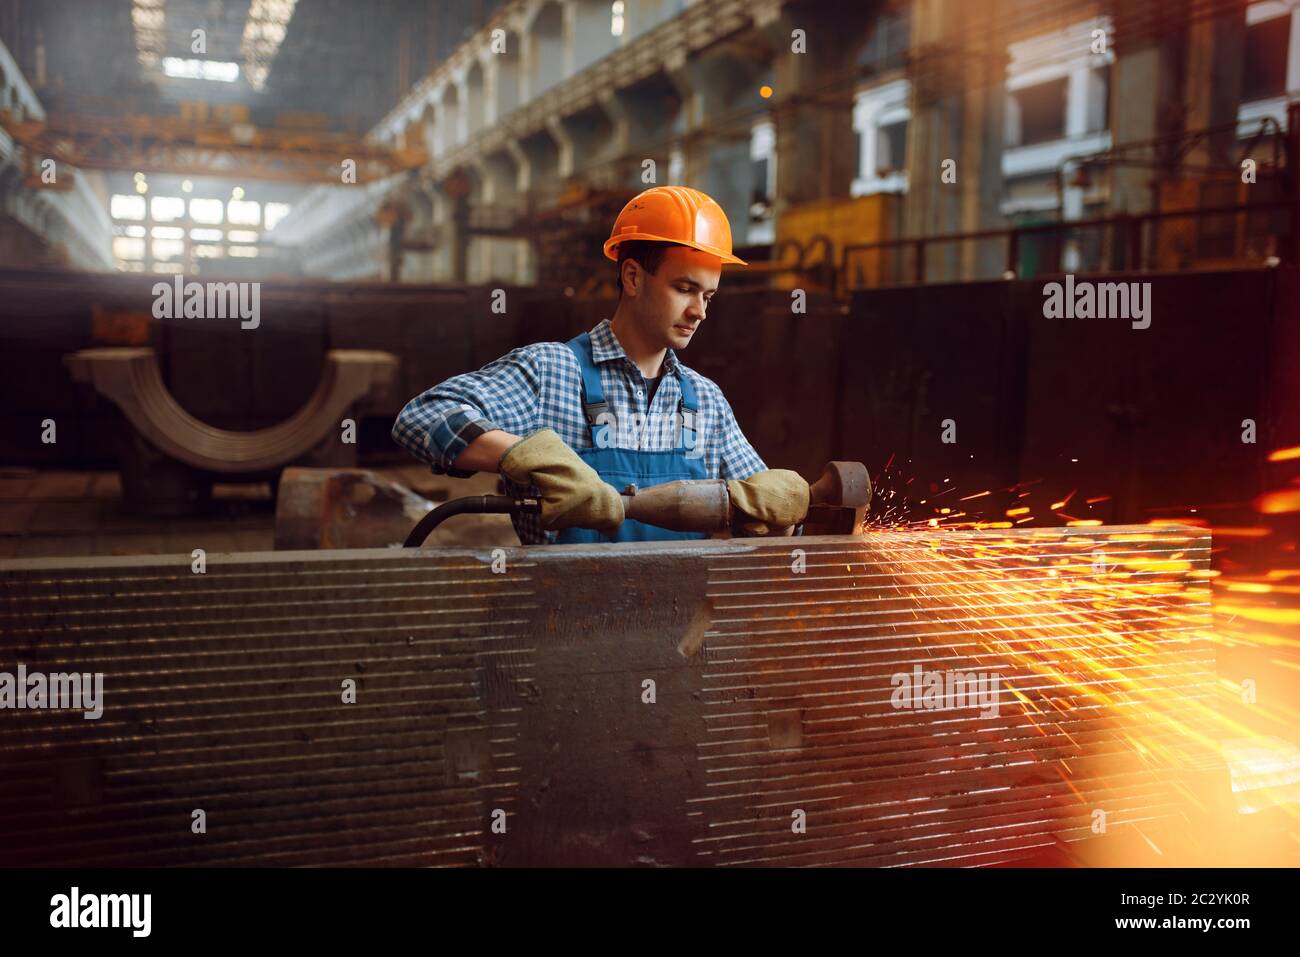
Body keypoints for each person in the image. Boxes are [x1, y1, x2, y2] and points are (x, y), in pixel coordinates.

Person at [391, 185, 808, 545]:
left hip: (680, 628)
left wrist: (780, 515)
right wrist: (525, 456)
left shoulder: (705, 401)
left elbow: (769, 527)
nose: (699, 311)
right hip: (565, 623)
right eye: (685, 289)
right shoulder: (552, 372)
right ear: (632, 277)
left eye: (708, 296)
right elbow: (424, 417)